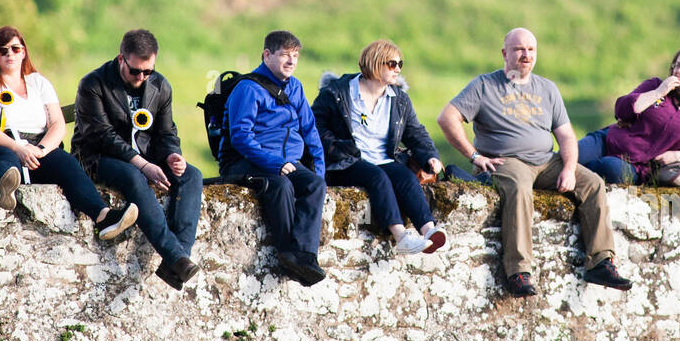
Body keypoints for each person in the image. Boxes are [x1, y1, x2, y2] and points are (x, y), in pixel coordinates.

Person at [437, 28, 631, 297]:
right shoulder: (484, 86)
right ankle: (518, 271)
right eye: (518, 49)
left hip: (546, 161)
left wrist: (568, 168)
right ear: (505, 53)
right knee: (518, 188)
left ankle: (600, 262)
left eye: (530, 49)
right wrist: (474, 156)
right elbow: (447, 117)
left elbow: (565, 135)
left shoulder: (547, 88)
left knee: (594, 183)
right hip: (506, 161)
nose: (525, 55)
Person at [0, 26, 137, 247]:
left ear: (23, 52)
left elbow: (58, 124)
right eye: (2, 51)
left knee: (65, 162)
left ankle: (103, 216)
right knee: (7, 159)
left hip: (38, 145)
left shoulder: (38, 82)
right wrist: (18, 148)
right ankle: (7, 184)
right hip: (3, 142)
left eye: (14, 48)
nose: (9, 54)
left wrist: (40, 150)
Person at [72, 29, 203, 290]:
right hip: (97, 156)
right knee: (133, 176)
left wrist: (172, 155)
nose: (142, 77)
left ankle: (178, 260)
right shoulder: (93, 84)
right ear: (121, 59)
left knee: (192, 175)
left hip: (145, 155)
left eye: (148, 72)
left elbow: (166, 132)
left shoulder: (160, 86)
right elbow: (102, 135)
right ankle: (176, 255)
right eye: (136, 71)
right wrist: (141, 164)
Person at [312, 40, 447, 256]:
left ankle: (429, 231)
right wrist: (337, 148)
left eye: (400, 64)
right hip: (347, 161)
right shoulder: (336, 92)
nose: (398, 70)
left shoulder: (399, 99)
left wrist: (430, 156)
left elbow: (415, 132)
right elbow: (316, 126)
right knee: (377, 177)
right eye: (392, 64)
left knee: (405, 178)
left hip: (383, 159)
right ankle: (401, 236)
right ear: (375, 64)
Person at [219, 30, 328, 286]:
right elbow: (241, 138)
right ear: (267, 55)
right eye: (285, 55)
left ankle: (305, 256)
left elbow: (311, 134)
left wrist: (319, 173)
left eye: (295, 56)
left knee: (315, 185)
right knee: (280, 185)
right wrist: (276, 164)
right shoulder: (248, 89)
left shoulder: (296, 87)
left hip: (288, 161)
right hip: (247, 160)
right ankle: (286, 253)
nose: (291, 61)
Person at [577, 47, 680, 187]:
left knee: (609, 168)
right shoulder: (655, 85)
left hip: (636, 166)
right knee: (571, 155)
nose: (679, 70)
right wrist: (658, 92)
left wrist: (679, 155)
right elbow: (621, 109)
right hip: (608, 140)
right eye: (677, 65)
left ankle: (574, 177)